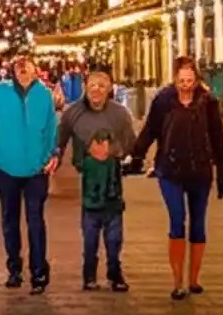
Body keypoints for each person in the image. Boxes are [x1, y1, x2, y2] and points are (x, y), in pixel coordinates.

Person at [130, 56, 223, 301]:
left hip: (200, 171)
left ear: (196, 80)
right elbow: (150, 130)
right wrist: (136, 156)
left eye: (190, 80)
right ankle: (177, 282)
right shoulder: (164, 100)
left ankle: (194, 279)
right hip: (170, 170)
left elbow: (218, 138)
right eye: (182, 80)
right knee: (177, 220)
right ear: (175, 78)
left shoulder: (208, 102)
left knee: (198, 223)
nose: (186, 85)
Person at [0, 55, 58, 295]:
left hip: (36, 168)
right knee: (9, 219)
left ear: (36, 71)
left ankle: (38, 272)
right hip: (7, 168)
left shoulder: (44, 94)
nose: (23, 71)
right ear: (13, 70)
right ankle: (14, 267)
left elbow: (51, 128)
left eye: (28, 67)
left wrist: (49, 155)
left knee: (36, 219)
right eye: (19, 67)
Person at [56, 70, 137, 291]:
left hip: (113, 184)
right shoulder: (73, 113)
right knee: (90, 236)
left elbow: (131, 144)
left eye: (102, 85)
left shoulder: (120, 114)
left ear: (110, 88)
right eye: (92, 85)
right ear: (85, 87)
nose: (96, 90)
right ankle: (89, 274)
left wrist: (115, 152)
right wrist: (55, 159)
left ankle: (114, 272)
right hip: (89, 186)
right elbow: (60, 140)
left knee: (114, 236)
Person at [79, 130, 129, 292]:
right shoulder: (87, 163)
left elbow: (117, 183)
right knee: (90, 244)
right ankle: (89, 276)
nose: (100, 149)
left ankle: (114, 274)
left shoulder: (114, 163)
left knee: (114, 242)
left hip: (112, 208)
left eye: (104, 144)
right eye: (97, 144)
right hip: (91, 209)